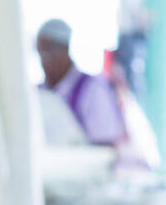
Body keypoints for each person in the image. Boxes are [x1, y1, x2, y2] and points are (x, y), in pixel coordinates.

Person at [35, 18, 124, 146]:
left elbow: (106, 145)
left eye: (49, 51)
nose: (44, 60)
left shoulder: (92, 89)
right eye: (40, 52)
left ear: (66, 49)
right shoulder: (38, 93)